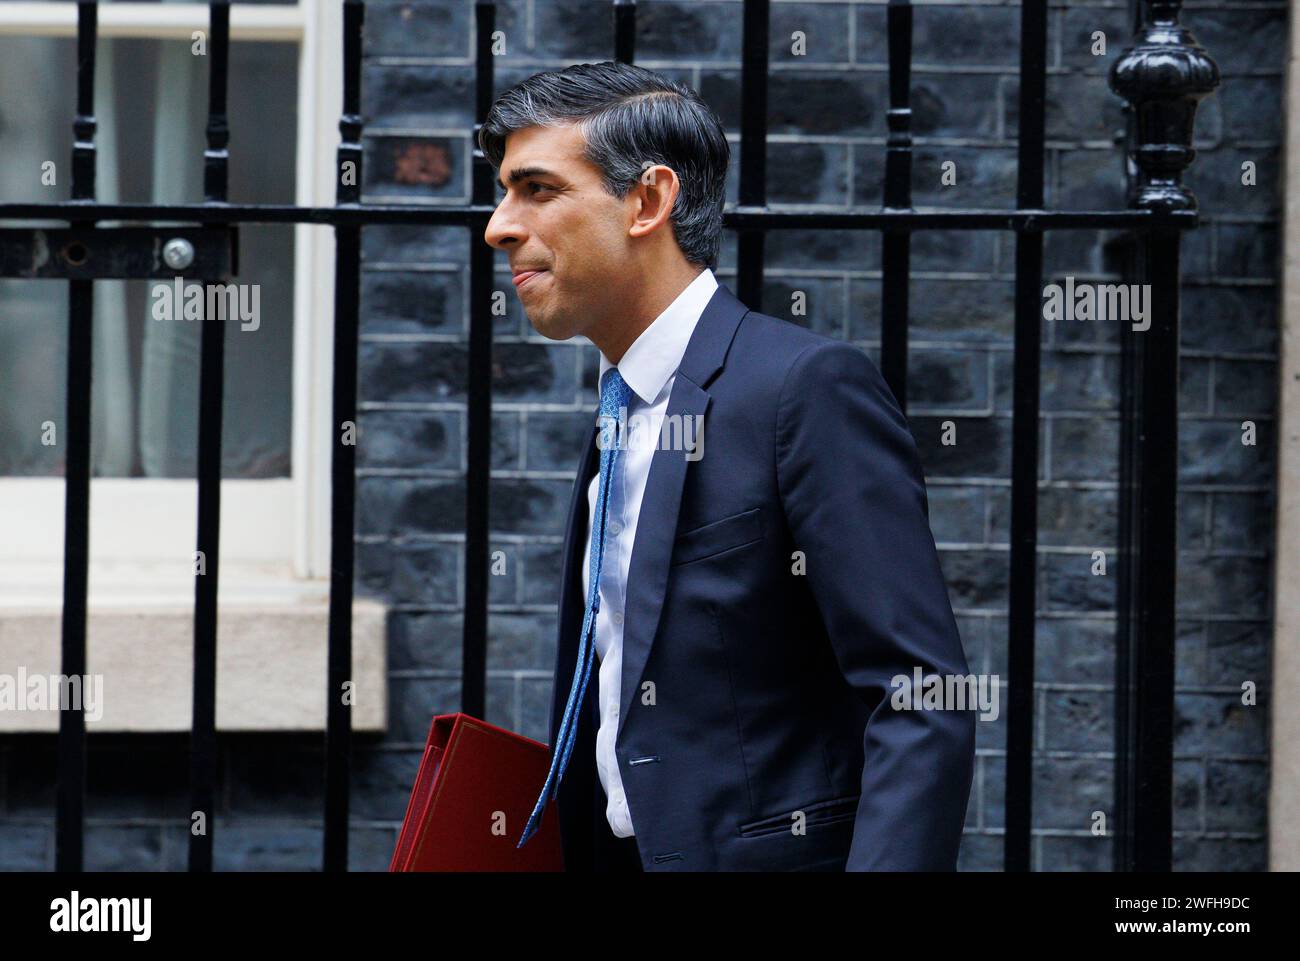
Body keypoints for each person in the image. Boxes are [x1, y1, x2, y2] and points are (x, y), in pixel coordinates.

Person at [480, 61, 976, 872]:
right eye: (505, 191)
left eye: (536, 189)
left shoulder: (803, 389)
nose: (500, 226)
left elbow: (919, 696)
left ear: (648, 201)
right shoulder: (622, 403)